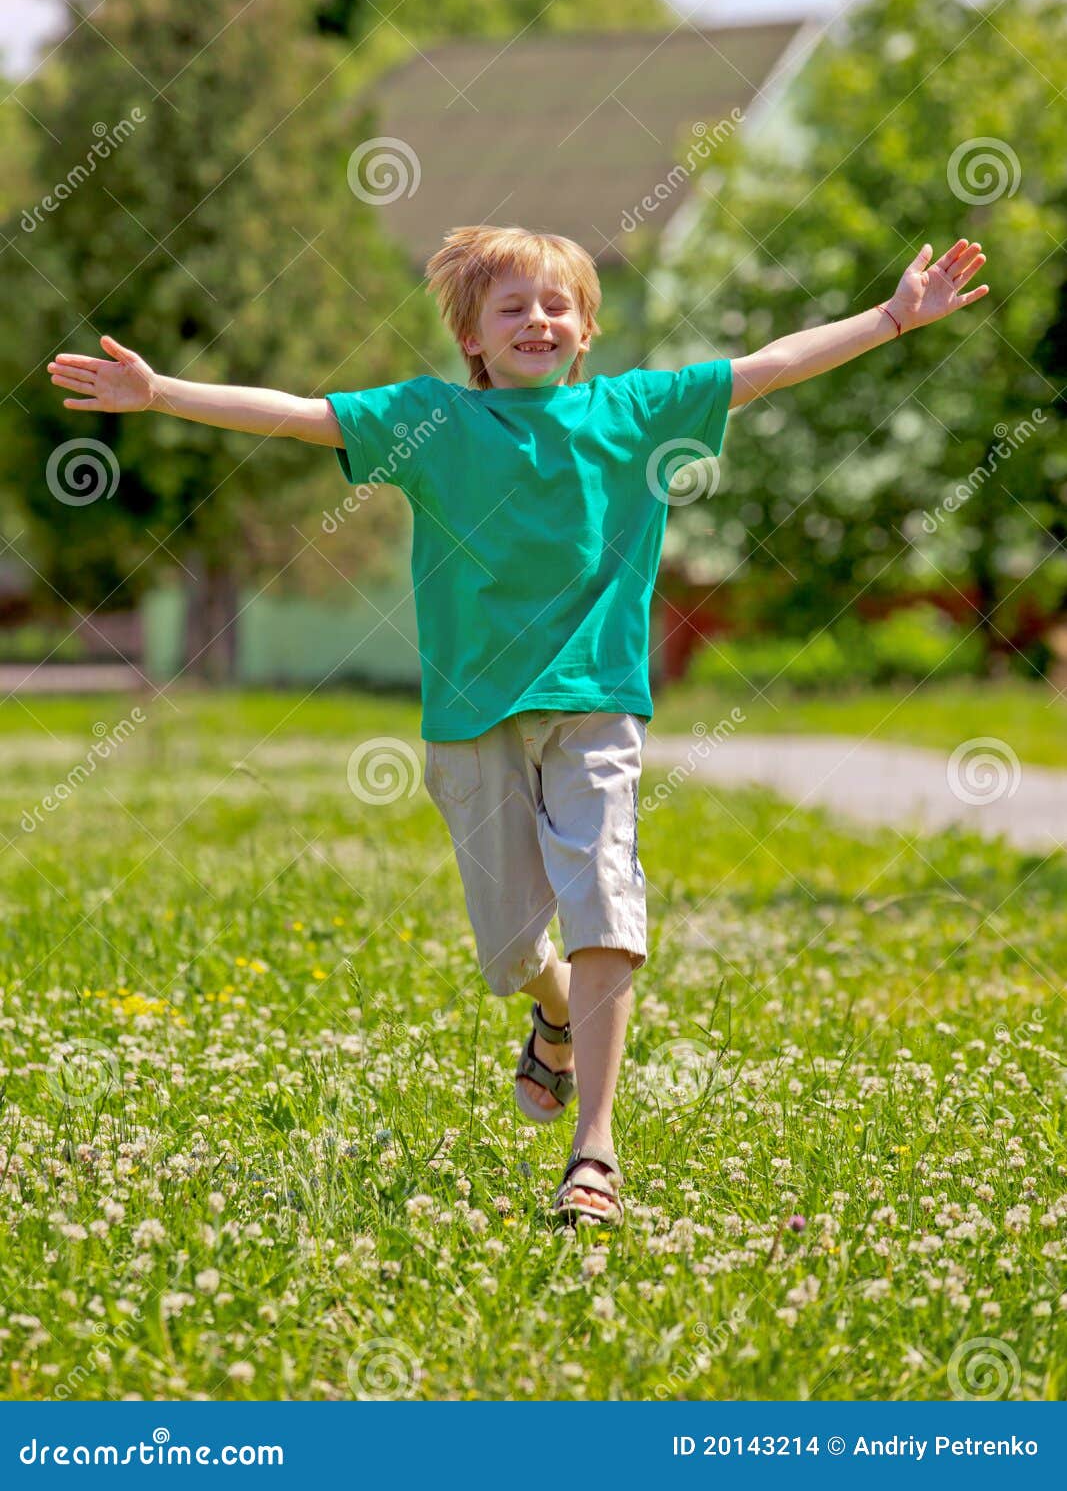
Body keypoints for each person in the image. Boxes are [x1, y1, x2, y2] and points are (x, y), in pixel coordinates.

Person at [46, 226, 989, 1226]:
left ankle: (594, 1152)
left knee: (604, 900)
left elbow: (763, 368)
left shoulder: (631, 411)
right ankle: (547, 1011)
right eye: (512, 307)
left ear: (584, 330)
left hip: (594, 701)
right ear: (471, 335)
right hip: (471, 716)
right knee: (508, 948)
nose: (537, 320)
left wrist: (890, 319)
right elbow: (296, 414)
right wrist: (163, 394)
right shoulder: (427, 422)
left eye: (555, 306)